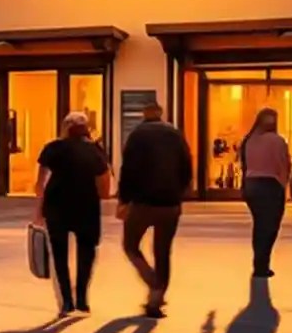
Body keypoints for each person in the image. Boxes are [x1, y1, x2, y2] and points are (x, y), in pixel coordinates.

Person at [32, 111, 112, 317]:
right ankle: (83, 300)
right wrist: (103, 195)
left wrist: (39, 210)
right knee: (87, 252)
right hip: (86, 206)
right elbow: (104, 181)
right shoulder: (95, 150)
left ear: (65, 128)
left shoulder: (53, 148)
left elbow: (40, 184)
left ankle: (66, 301)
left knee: (59, 254)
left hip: (57, 205)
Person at [118, 102, 192, 318]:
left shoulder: (137, 136)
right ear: (161, 114)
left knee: (131, 245)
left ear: (144, 114)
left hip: (142, 202)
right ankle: (156, 301)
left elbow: (128, 170)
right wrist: (179, 193)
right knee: (163, 251)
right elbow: (186, 167)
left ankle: (153, 283)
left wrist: (124, 199)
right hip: (170, 203)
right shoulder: (176, 135)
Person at [240, 108, 291, 278]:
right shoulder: (278, 140)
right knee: (270, 227)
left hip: (252, 184)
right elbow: (284, 164)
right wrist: (284, 185)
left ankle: (260, 263)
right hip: (271, 185)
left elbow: (245, 165)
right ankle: (262, 264)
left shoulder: (249, 140)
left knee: (260, 224)